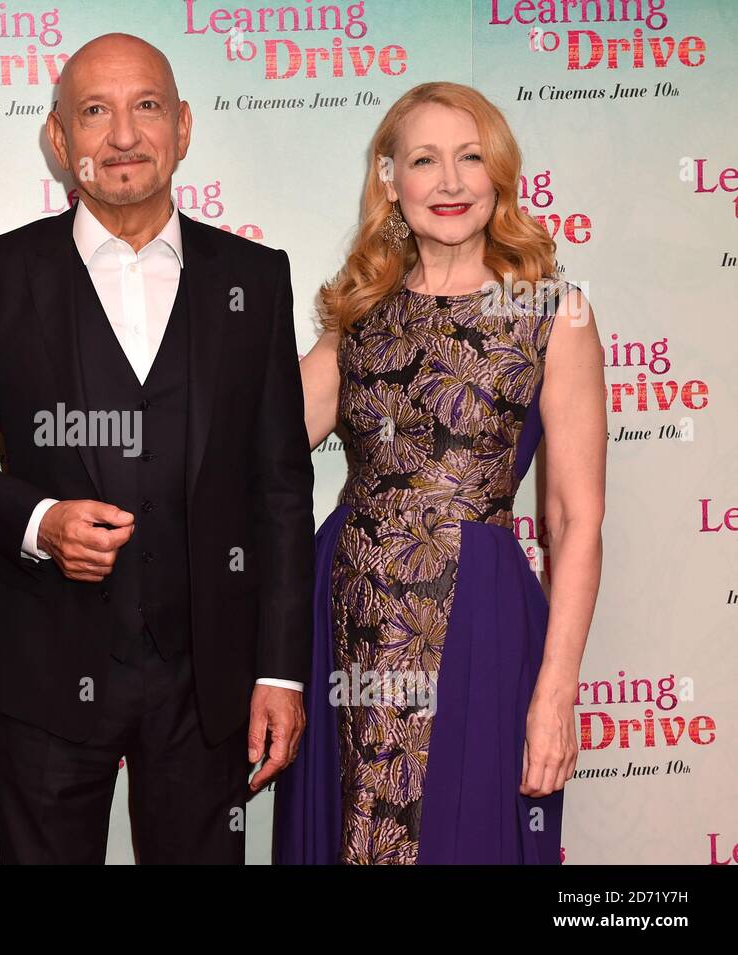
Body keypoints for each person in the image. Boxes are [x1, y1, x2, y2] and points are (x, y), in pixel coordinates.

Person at [0, 33, 313, 864]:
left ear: (183, 126)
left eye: (145, 107)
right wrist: (39, 522)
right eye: (94, 112)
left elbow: (282, 488)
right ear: (58, 137)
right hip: (45, 671)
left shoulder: (255, 277)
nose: (121, 136)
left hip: (209, 681)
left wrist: (281, 672)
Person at [274, 82, 605, 864]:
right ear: (392, 179)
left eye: (470, 158)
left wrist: (556, 692)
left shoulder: (553, 312)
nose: (451, 182)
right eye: (425, 160)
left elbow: (573, 520)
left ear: (499, 174)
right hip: (348, 618)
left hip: (483, 621)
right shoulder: (360, 315)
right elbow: (257, 447)